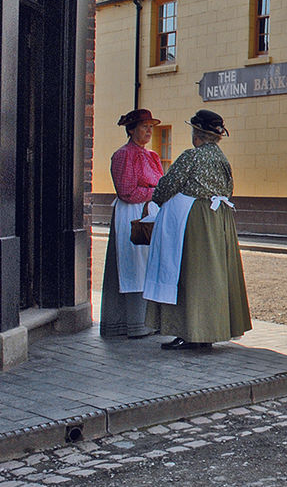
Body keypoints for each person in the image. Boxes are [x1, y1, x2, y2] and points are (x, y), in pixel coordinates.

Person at [144, 109, 252, 351]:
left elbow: (169, 184)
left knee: (191, 273)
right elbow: (229, 190)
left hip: (194, 220)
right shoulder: (222, 159)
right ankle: (208, 330)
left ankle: (192, 331)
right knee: (212, 275)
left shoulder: (191, 156)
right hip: (218, 219)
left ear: (197, 134)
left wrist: (156, 200)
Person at [99, 109, 164, 339]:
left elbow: (160, 184)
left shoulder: (152, 156)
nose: (148, 131)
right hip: (131, 213)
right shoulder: (123, 155)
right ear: (131, 129)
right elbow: (127, 191)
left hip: (150, 211)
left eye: (150, 127)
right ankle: (131, 322)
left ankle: (153, 320)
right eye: (144, 126)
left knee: (151, 263)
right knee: (132, 263)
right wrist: (154, 192)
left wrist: (156, 195)